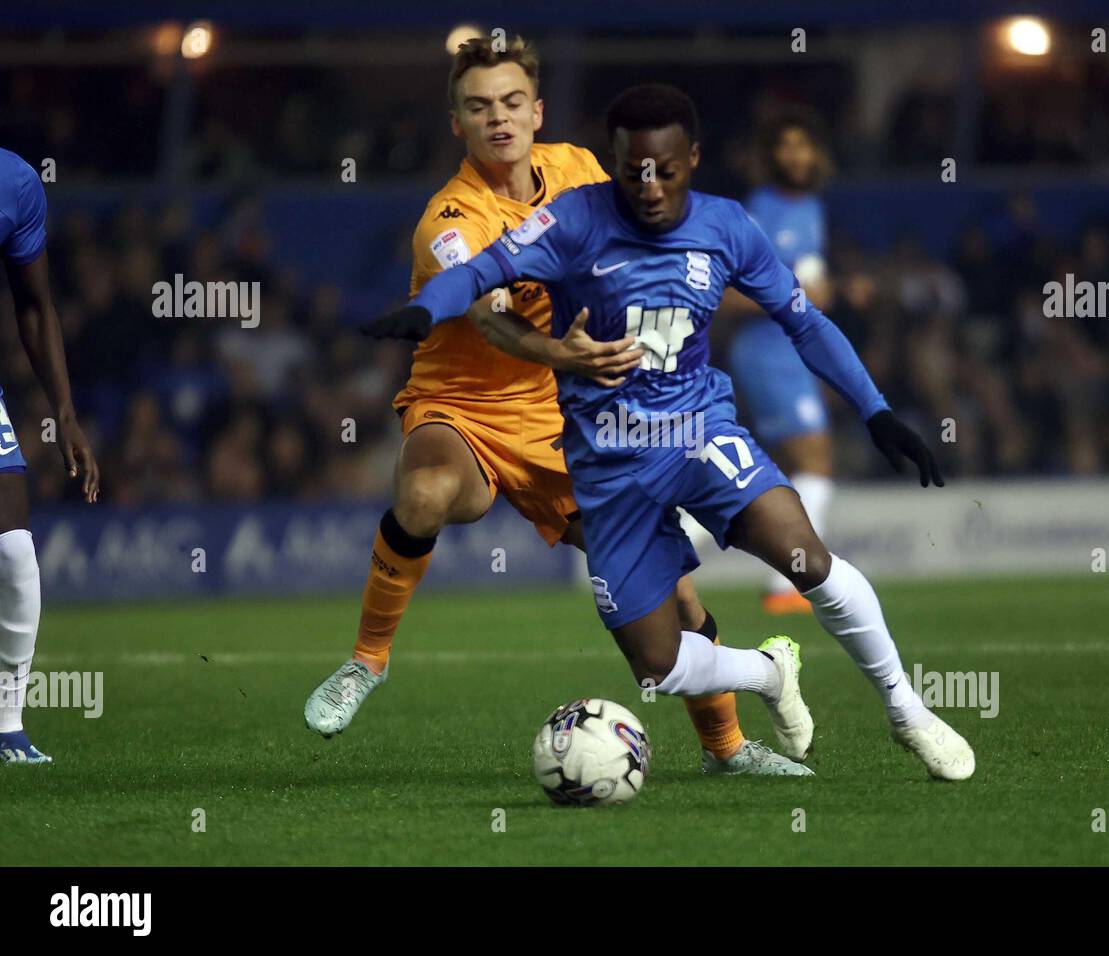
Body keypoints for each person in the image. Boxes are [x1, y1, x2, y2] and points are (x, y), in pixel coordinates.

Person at [361, 84, 975, 780]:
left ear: (693, 158)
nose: (649, 188)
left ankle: (908, 713)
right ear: (616, 165)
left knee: (806, 557)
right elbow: (478, 271)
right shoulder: (572, 222)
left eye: (666, 170)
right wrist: (427, 308)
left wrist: (876, 410)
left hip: (699, 434)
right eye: (632, 172)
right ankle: (768, 671)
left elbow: (803, 319)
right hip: (608, 467)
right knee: (658, 664)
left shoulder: (728, 226)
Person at [306, 39, 809, 776]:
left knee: (676, 597)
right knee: (427, 490)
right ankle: (366, 662)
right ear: (458, 124)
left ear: (536, 111)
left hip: (567, 422)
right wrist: (566, 352)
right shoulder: (449, 220)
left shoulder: (580, 169)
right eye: (478, 108)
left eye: (511, 103)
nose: (498, 119)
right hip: (464, 407)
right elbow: (484, 315)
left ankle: (727, 751)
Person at [0, 147, 101, 765]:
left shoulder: (14, 182)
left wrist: (63, 410)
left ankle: (8, 728)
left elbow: (34, 305)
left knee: (12, 548)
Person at [723, 114, 835, 614]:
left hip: (793, 353)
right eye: (785, 145)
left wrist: (828, 293)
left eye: (803, 145)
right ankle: (793, 580)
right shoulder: (758, 211)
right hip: (764, 353)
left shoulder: (810, 208)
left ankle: (784, 582)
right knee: (814, 460)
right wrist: (792, 297)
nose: (795, 156)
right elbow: (724, 294)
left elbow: (812, 288)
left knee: (787, 469)